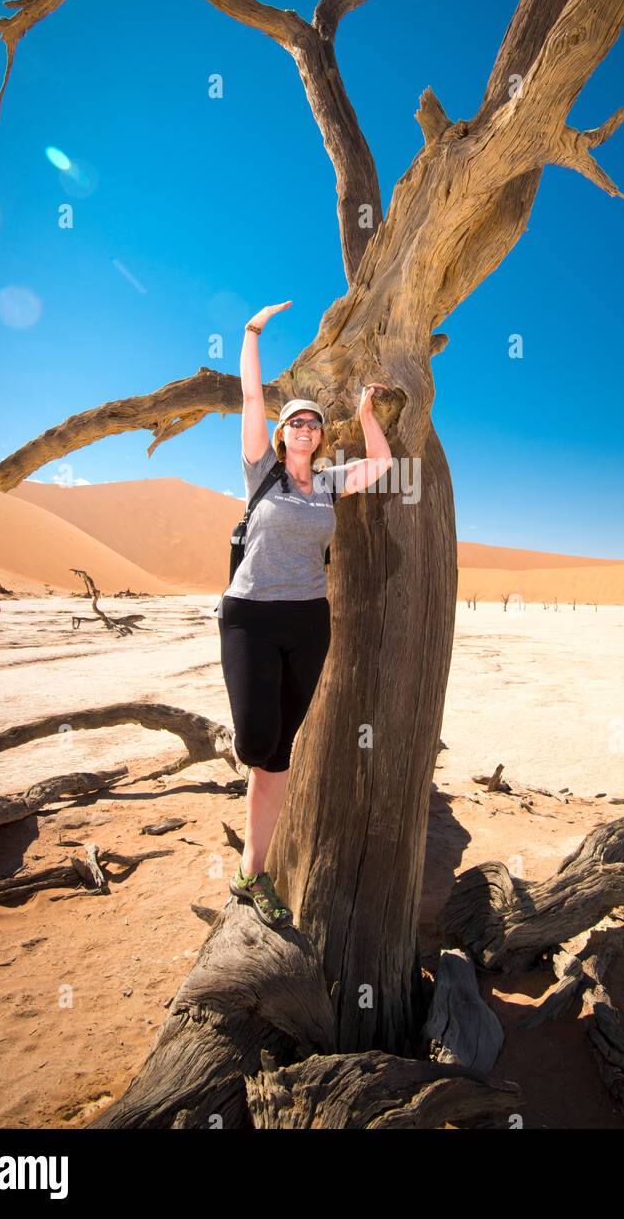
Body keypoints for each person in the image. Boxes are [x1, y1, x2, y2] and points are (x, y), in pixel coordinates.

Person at [218, 300, 393, 929]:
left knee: (280, 752)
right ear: (280, 432)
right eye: (295, 422)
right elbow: (248, 396)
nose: (304, 429)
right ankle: (252, 854)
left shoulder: (325, 484)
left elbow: (383, 466)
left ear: (321, 436)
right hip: (249, 617)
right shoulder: (259, 473)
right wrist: (251, 332)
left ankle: (251, 872)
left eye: (314, 424)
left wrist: (367, 414)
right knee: (255, 741)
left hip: (308, 623)